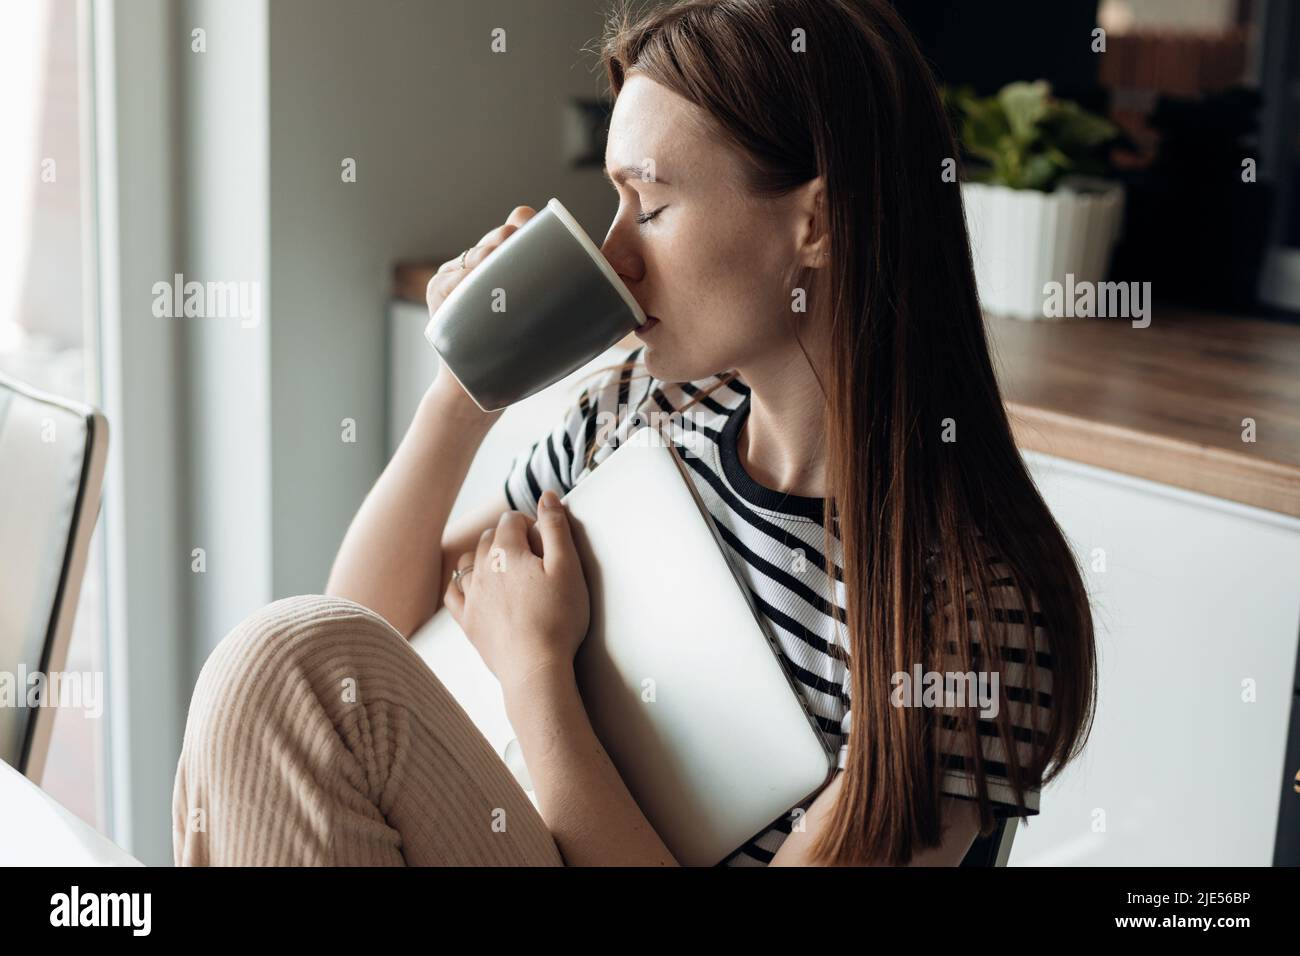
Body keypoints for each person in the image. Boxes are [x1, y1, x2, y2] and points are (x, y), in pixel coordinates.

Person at [173, 0, 1096, 867]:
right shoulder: (642, 414)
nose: (614, 255)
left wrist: (539, 678)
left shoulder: (965, 621)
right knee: (286, 665)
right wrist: (462, 393)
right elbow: (363, 640)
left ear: (817, 222)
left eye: (649, 205)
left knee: (284, 663)